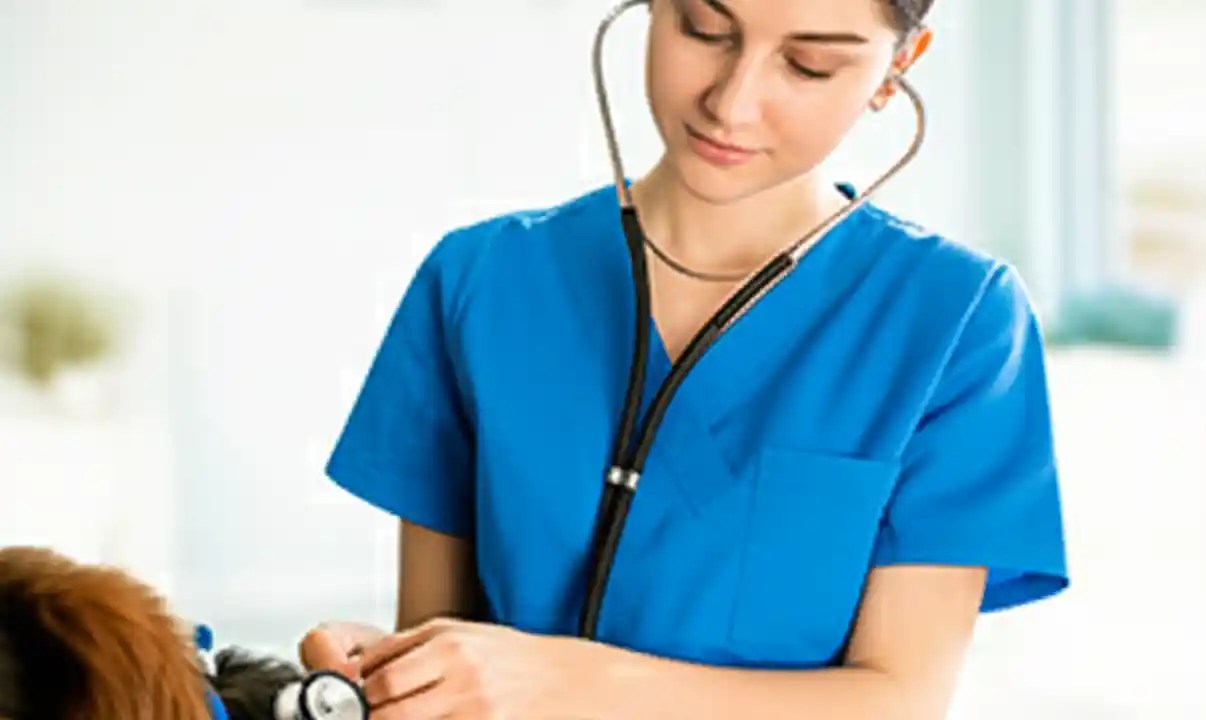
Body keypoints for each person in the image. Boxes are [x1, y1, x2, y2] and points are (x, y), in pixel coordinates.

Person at [299, 0, 1070, 717]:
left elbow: (897, 700)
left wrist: (568, 683)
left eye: (808, 66)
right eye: (704, 28)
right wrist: (391, 671)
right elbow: (447, 645)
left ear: (896, 70)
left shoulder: (955, 320)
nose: (731, 103)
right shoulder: (478, 281)